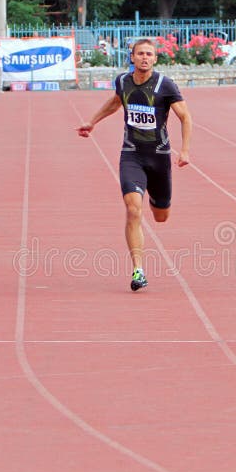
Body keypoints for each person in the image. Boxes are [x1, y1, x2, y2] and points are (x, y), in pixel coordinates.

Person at [76, 38, 192, 291]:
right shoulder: (123, 81)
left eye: (149, 54)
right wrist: (93, 121)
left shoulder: (165, 85)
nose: (144, 58)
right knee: (133, 210)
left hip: (159, 157)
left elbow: (185, 116)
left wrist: (183, 150)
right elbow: (116, 102)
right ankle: (138, 269)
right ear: (132, 57)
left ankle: (154, 198)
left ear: (155, 59)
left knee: (160, 216)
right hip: (132, 154)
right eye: (140, 53)